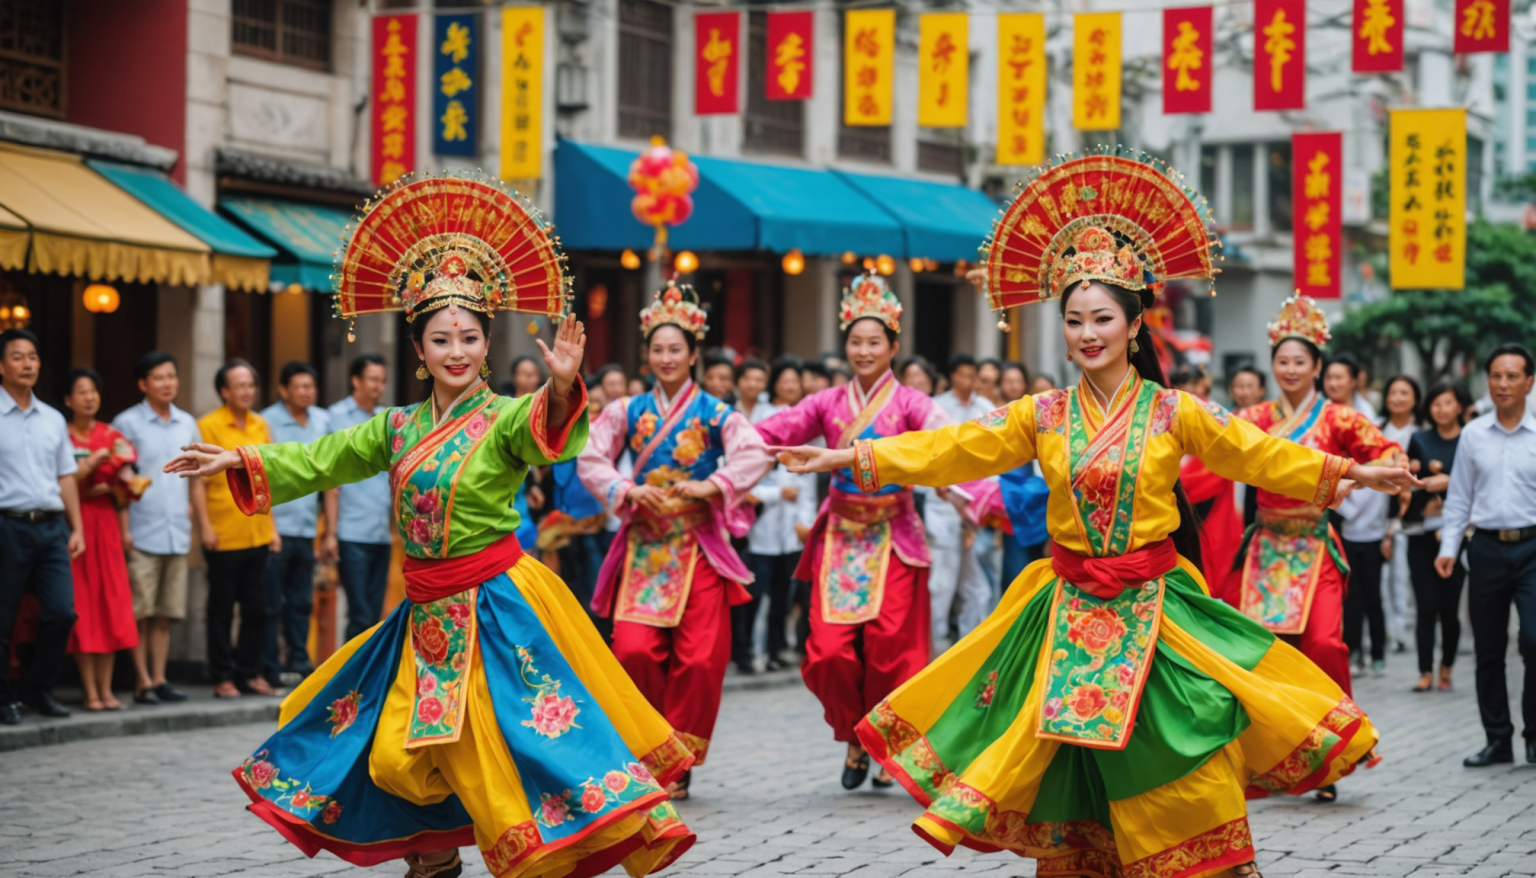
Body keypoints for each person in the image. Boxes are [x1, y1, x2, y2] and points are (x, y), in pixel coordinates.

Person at [774, 156, 1409, 874]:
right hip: (1068, 606)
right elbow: (953, 449)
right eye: (1073, 320)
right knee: (1069, 763)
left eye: (1102, 317)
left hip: (1157, 605)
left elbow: (1257, 456)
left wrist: (1352, 470)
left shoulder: (1175, 411)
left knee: (1181, 735)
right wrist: (850, 459)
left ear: (1135, 325)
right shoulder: (1043, 414)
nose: (1086, 333)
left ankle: (1216, 863)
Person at [174, 176, 694, 878]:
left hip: (498, 603)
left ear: (486, 344)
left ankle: (535, 851)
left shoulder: (508, 416)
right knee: (394, 752)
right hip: (425, 613)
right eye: (441, 338)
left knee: (517, 742)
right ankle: (437, 852)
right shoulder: (394, 428)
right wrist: (240, 454)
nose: (458, 350)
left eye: (471, 338)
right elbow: (321, 457)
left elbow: (547, 432)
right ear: (418, 349)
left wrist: (565, 385)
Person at [755, 274, 983, 791]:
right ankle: (855, 735)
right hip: (841, 536)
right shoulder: (825, 403)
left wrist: (960, 488)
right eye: (855, 341)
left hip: (893, 534)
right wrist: (728, 441)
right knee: (829, 652)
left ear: (894, 348)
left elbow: (946, 441)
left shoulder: (912, 403)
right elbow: (773, 431)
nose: (863, 350)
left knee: (889, 650)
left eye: (874, 342)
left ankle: (888, 743)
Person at [578, 282, 774, 799]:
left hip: (699, 547)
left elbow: (754, 453)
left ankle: (679, 760)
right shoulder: (626, 410)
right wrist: (625, 489)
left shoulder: (716, 412)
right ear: (647, 354)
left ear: (693, 355)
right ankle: (647, 749)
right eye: (657, 349)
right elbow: (590, 457)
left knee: (702, 660)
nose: (666, 358)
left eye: (676, 349)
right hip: (645, 546)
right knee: (636, 651)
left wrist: (713, 485)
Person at [1232, 297, 1403, 760]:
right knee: (1259, 653)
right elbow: (1213, 442)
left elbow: (1384, 450)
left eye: (1299, 361)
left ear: (1317, 366)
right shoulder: (1255, 418)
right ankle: (1267, 756)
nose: (1290, 369)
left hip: (1314, 544)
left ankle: (1339, 749)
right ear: (1273, 366)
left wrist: (1360, 479)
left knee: (1325, 643)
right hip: (1266, 547)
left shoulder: (1337, 417)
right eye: (1282, 361)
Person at [1436, 343, 1536, 767]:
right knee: (1488, 648)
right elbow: (1458, 498)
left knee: (1534, 640)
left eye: (1513, 376)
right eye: (1496, 375)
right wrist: (1448, 547)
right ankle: (1498, 739)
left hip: (1534, 547)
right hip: (1487, 549)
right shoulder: (1473, 435)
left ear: (1529, 383)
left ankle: (1534, 736)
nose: (1503, 383)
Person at [0, 329, 84, 724]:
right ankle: (3, 699)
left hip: (51, 528)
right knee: (3, 618)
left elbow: (66, 476)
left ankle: (37, 689)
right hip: (8, 527)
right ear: (2, 365)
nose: (27, 364)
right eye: (17, 357)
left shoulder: (53, 419)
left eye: (32, 356)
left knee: (61, 612)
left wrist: (77, 527)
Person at [112, 351, 199, 705]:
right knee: (140, 611)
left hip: (176, 529)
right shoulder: (126, 423)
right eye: (159, 377)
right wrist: (123, 529)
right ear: (142, 383)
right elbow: (118, 478)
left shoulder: (187, 423)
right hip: (141, 529)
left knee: (165, 613)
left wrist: (193, 514)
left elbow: (196, 479)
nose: (167, 384)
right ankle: (142, 681)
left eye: (171, 376)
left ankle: (160, 678)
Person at [197, 359, 277, 698]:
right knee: (221, 609)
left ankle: (248, 672)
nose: (247, 391)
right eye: (239, 385)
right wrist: (203, 527)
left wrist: (273, 527)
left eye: (251, 384)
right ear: (224, 391)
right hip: (222, 531)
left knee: (258, 609)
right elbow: (198, 483)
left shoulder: (261, 424)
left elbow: (269, 476)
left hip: (258, 531)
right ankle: (223, 675)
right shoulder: (208, 426)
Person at [62, 368, 142, 710]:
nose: (89, 397)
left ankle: (106, 690)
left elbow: (133, 484)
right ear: (68, 400)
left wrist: (112, 487)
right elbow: (57, 479)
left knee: (110, 603)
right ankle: (89, 691)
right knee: (84, 606)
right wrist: (90, 465)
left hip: (107, 524)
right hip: (74, 523)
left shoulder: (113, 436)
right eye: (81, 392)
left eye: (93, 390)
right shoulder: (60, 436)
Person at [741, 359, 816, 673]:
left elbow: (809, 479)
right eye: (784, 381)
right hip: (762, 523)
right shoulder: (764, 419)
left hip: (791, 525)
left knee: (784, 595)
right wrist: (775, 494)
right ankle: (746, 651)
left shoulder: (809, 421)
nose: (790, 387)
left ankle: (774, 649)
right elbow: (751, 473)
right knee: (756, 594)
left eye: (794, 382)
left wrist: (805, 520)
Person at [259, 361, 333, 681]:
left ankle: (300, 661)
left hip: (306, 528)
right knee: (271, 601)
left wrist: (328, 531)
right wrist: (268, 527)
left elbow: (331, 476)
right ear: (283, 390)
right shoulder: (267, 421)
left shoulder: (323, 420)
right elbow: (261, 477)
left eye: (310, 387)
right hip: (276, 527)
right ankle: (271, 664)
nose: (306, 393)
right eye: (299, 387)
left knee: (302, 600)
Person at [1405, 381, 1471, 693]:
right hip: (1422, 533)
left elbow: (1479, 484)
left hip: (1460, 536)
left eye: (1447, 402)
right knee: (1426, 606)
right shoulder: (1419, 440)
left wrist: (1449, 483)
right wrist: (1424, 495)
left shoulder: (1471, 438)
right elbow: (1407, 485)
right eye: (1435, 403)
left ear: (1459, 405)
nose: (1441, 409)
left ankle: (1446, 667)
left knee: (1450, 607)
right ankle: (1424, 671)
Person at [928, 353, 997, 648]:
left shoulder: (986, 408)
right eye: (964, 375)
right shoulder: (937, 407)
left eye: (974, 376)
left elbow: (997, 456)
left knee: (978, 588)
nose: (969, 381)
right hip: (943, 504)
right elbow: (930, 453)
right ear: (954, 376)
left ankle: (972, 649)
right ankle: (933, 648)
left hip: (977, 506)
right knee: (941, 585)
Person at [326, 354, 392, 641]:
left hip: (381, 534)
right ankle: (350, 679)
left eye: (382, 380)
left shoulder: (387, 418)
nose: (378, 386)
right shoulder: (336, 417)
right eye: (373, 379)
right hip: (350, 533)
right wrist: (329, 533)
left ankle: (365, 679)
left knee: (374, 615)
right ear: (356, 380)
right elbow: (331, 479)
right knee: (359, 613)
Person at [1378, 375, 1423, 657]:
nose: (1398, 398)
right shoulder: (1376, 432)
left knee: (1402, 578)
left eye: (1404, 393)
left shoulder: (1422, 433)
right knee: (1383, 579)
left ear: (1415, 398)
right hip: (1380, 516)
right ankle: (1391, 633)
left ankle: (1403, 629)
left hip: (1412, 519)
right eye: (1393, 392)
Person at [1323, 352, 1377, 419]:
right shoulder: (1317, 409)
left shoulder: (1365, 412)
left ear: (1353, 381)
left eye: (1338, 377)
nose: (1332, 383)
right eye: (1328, 377)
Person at [733, 358, 768, 424]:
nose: (752, 384)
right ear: (737, 380)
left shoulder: (771, 410)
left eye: (758, 380)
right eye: (747, 378)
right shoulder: (729, 407)